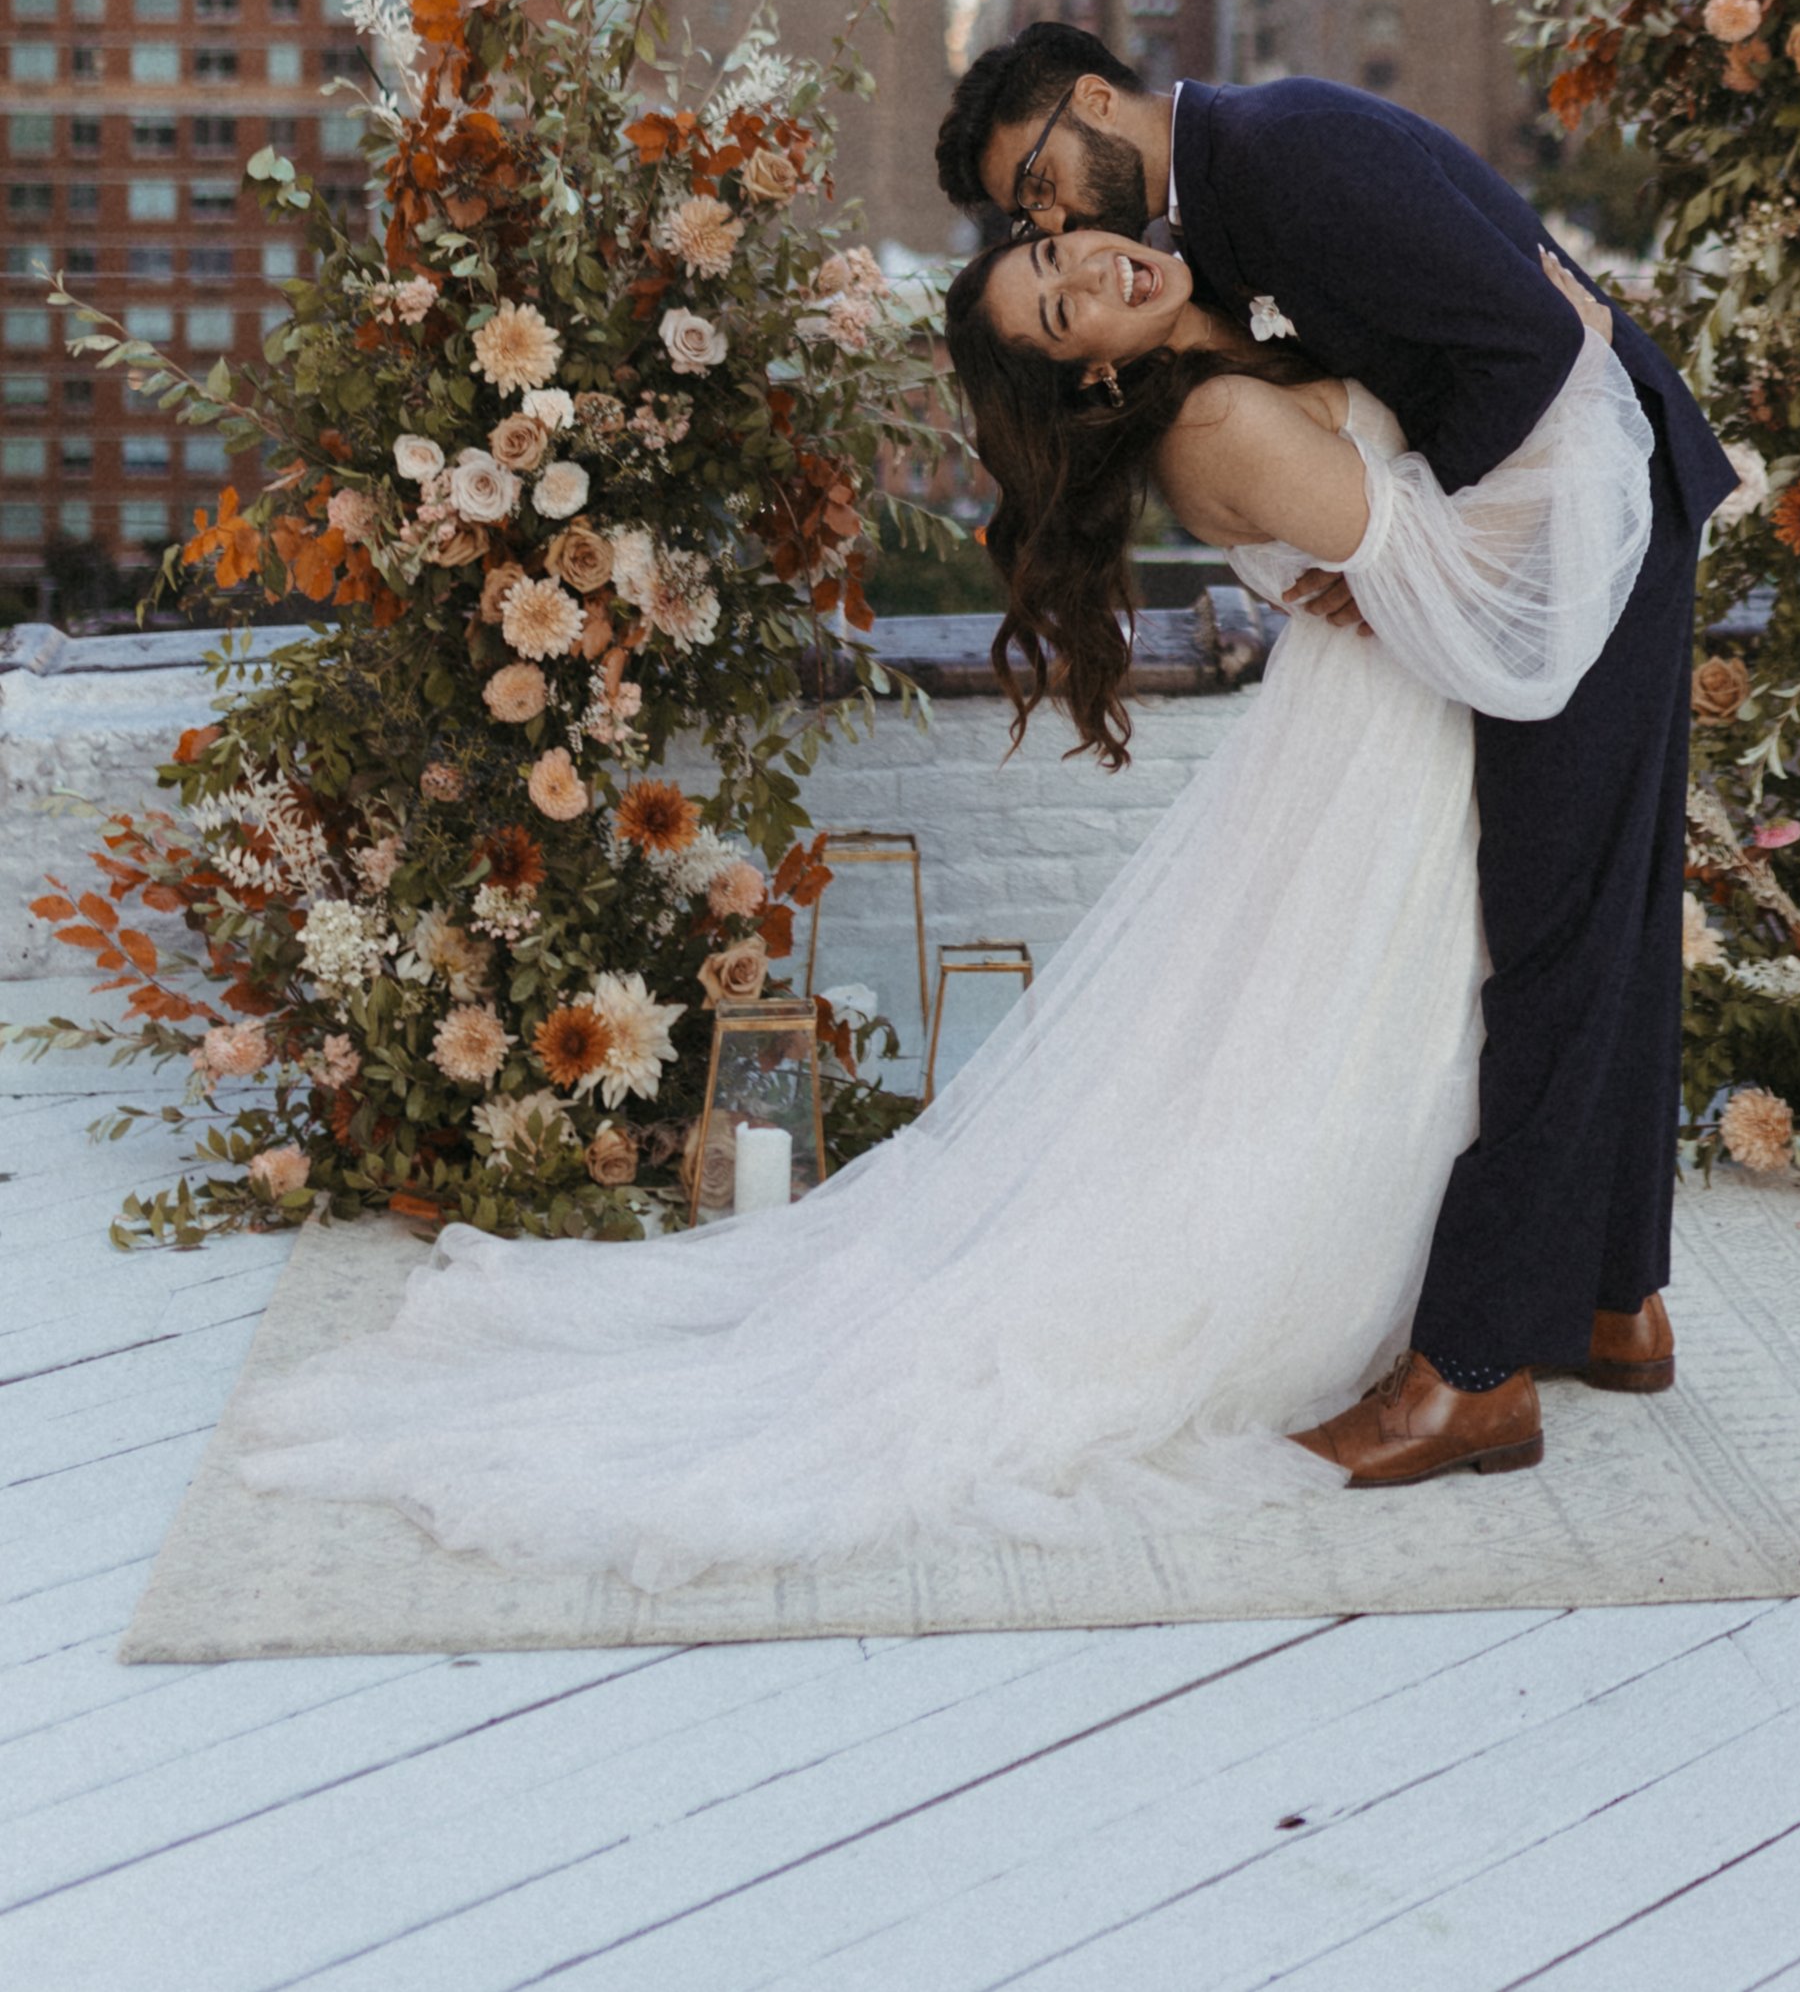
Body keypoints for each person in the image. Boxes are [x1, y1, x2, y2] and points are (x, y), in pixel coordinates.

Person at [235, 188, 1661, 1578]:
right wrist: (1584, 357)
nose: (1093, 271)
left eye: (1065, 252)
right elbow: (1480, 581)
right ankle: (1463, 1332)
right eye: (1062, 308)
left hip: (1401, 715)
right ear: (1091, 373)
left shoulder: (1244, 337)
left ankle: (1543, 1295)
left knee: (1431, 1020)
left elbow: (1410, 549)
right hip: (1398, 730)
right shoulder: (1217, 418)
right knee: (1372, 1035)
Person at [933, 22, 1735, 1486]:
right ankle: (1615, 1301)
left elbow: (1529, 349)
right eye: (1034, 228)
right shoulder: (1212, 225)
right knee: (1601, 912)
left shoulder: (1288, 158)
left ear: (1095, 99)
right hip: (1554, 528)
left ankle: (1475, 1371)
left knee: (1556, 934)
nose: (1060, 225)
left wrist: (1416, 551)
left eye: (1040, 189)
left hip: (1576, 534)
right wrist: (1384, 542)